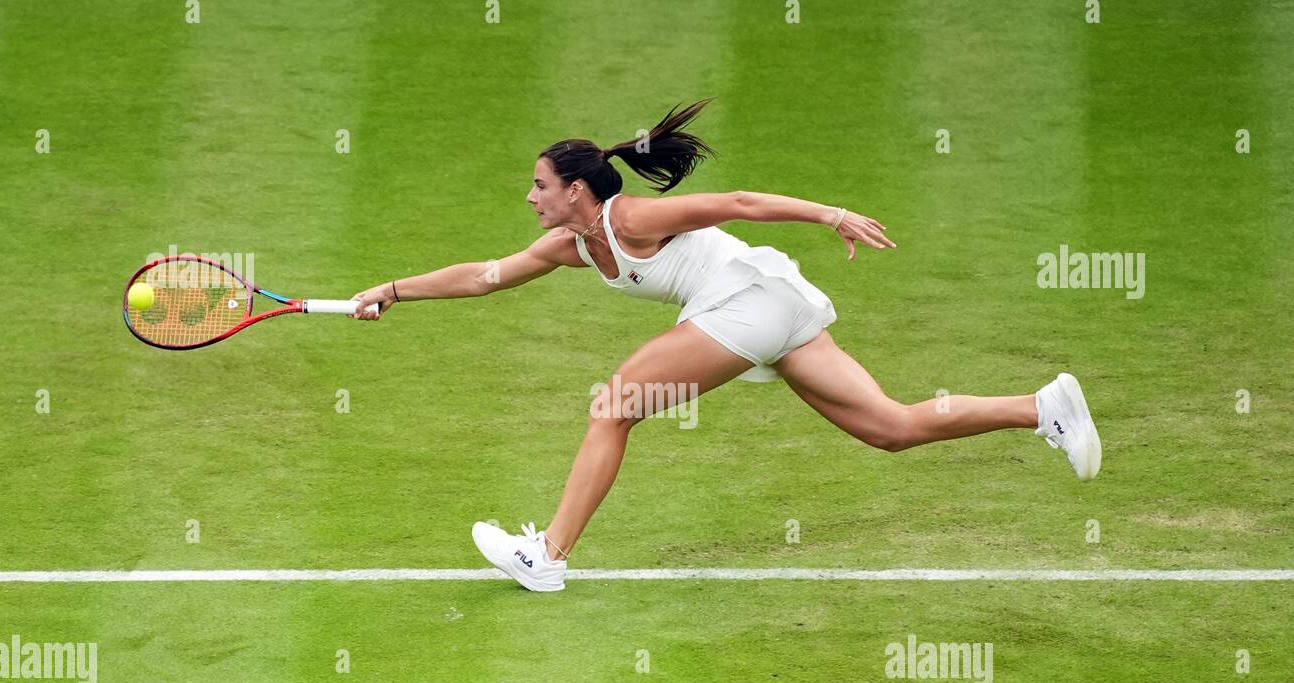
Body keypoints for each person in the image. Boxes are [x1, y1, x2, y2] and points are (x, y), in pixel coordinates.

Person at [351, 99, 1100, 593]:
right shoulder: (570, 246)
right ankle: (1040, 408)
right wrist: (391, 289)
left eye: (540, 185)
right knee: (889, 427)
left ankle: (548, 555)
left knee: (615, 405)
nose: (531, 197)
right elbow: (484, 276)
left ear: (578, 191)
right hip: (768, 306)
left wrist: (830, 212)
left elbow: (738, 203)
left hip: (746, 301)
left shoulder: (634, 218)